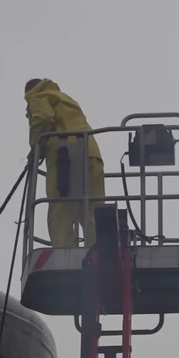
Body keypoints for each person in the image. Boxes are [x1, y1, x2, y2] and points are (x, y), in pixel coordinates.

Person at [23, 78, 106, 247]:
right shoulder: (64, 98)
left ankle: (62, 252)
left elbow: (43, 119)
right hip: (91, 154)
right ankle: (100, 248)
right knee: (92, 210)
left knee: (61, 211)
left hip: (66, 157)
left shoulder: (38, 96)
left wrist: (36, 148)